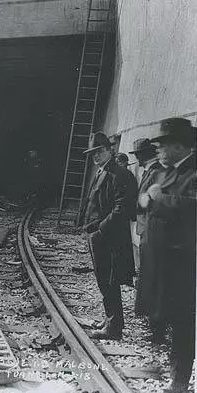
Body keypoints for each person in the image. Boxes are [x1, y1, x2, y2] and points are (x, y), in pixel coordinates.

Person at [138, 117, 197, 393]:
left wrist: (159, 198)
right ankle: (174, 371)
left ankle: (180, 379)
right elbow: (146, 199)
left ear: (178, 145)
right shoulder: (165, 172)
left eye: (162, 145)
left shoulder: (196, 172)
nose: (158, 150)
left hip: (183, 261)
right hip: (162, 260)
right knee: (170, 317)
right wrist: (148, 198)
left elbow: (195, 207)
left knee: (184, 320)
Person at [77, 132, 136, 340]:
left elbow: (122, 209)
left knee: (110, 281)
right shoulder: (102, 171)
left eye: (99, 151)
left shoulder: (119, 174)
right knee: (103, 280)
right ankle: (110, 319)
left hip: (109, 238)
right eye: (93, 153)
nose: (95, 156)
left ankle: (114, 327)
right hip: (98, 236)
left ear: (110, 150)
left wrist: (100, 229)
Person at [130, 138, 166, 343]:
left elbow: (150, 203)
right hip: (147, 232)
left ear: (144, 156)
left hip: (153, 233)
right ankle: (153, 325)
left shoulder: (156, 172)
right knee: (149, 277)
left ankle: (156, 329)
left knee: (153, 278)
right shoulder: (151, 171)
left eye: (138, 156)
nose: (138, 160)